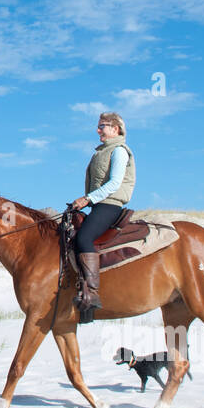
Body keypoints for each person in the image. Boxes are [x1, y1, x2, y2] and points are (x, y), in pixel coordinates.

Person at [68, 112, 135, 321]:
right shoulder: (102, 152)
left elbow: (114, 183)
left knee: (84, 238)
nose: (98, 130)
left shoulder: (119, 151)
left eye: (102, 126)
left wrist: (87, 199)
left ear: (116, 129)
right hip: (98, 206)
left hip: (110, 205)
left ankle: (92, 294)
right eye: (99, 126)